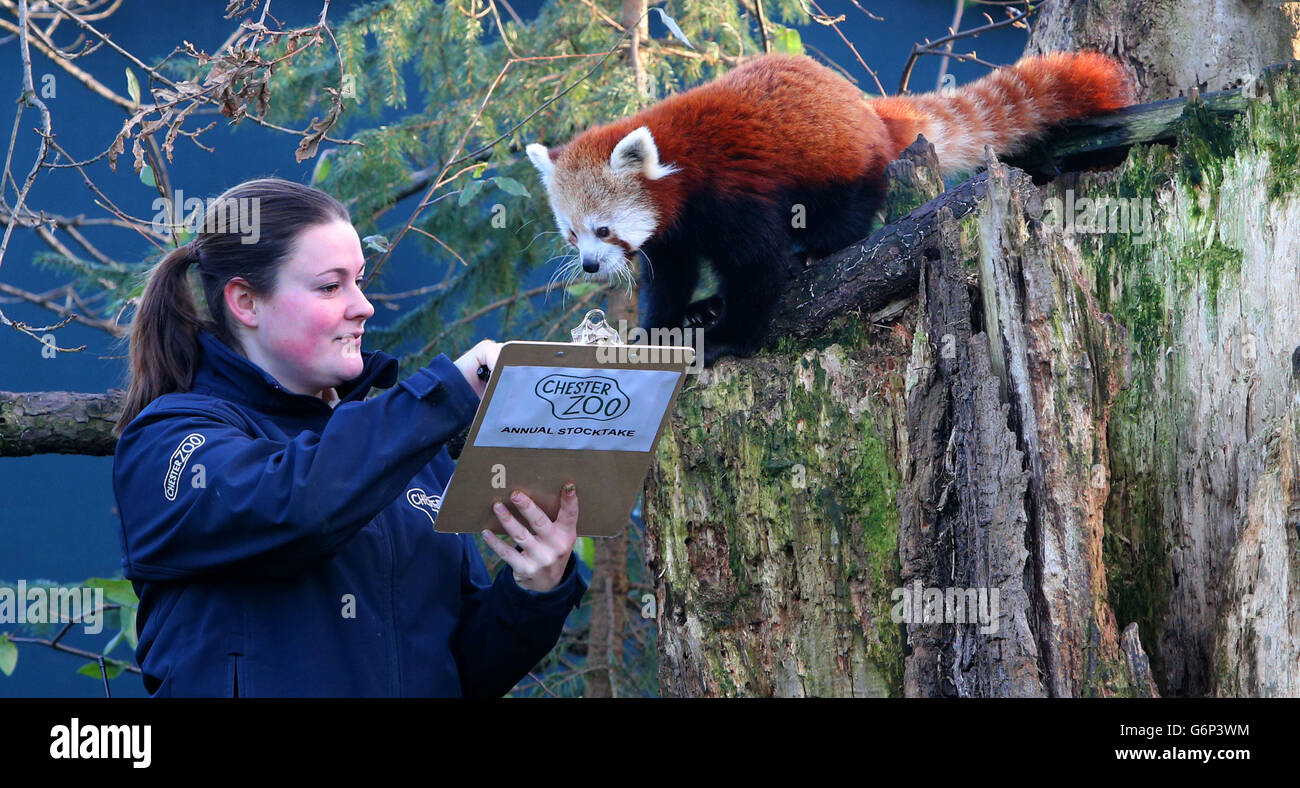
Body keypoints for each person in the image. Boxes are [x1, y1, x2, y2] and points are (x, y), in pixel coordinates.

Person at [111, 178, 587, 697]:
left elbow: (458, 673)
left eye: (359, 281)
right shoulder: (168, 443)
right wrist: (453, 386)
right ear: (246, 302)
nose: (363, 306)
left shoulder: (406, 453)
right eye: (330, 286)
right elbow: (298, 505)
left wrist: (534, 590)